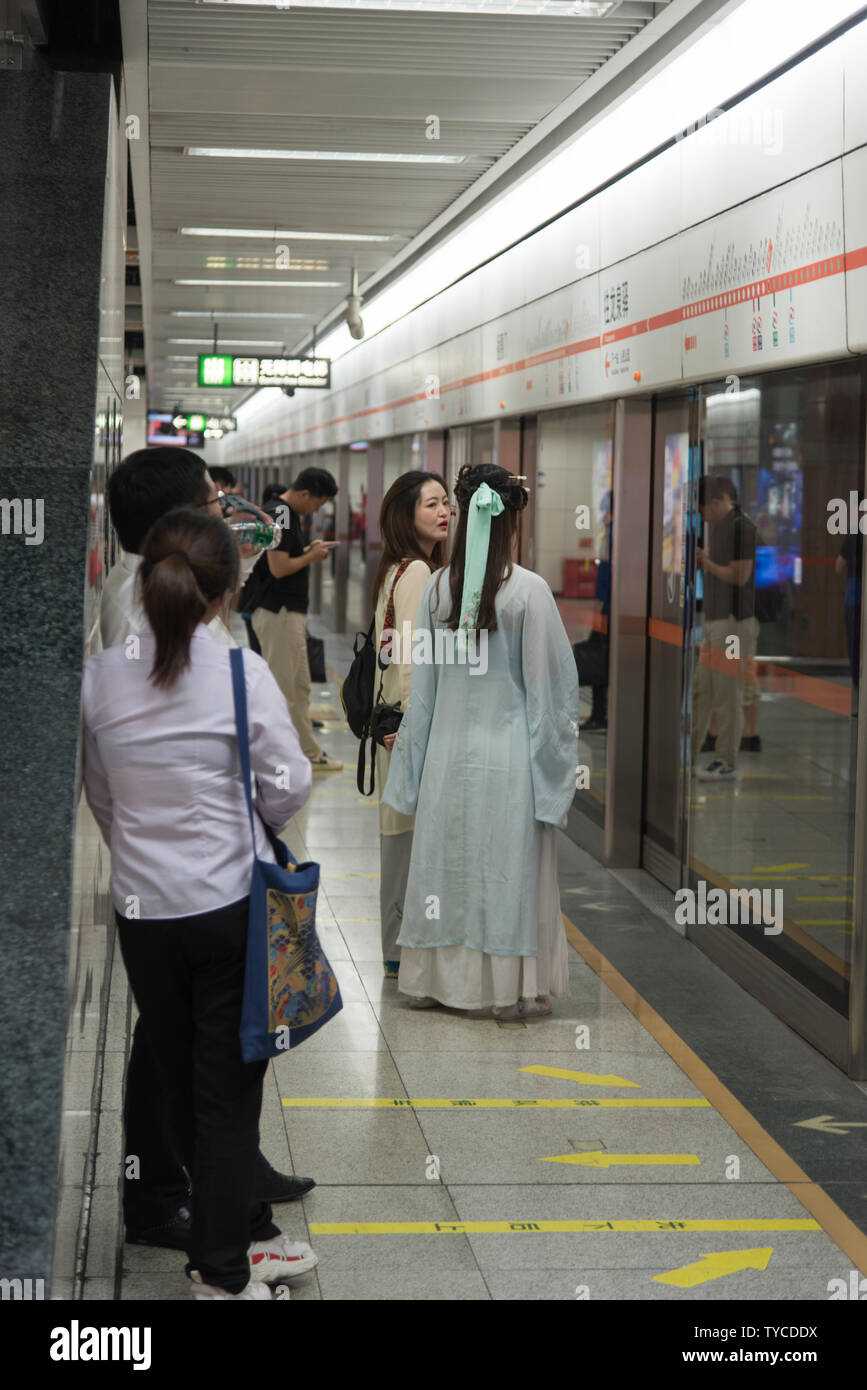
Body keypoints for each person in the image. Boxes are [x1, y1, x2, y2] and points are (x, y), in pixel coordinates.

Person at [82, 508, 318, 1300]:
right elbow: (289, 784)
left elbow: (103, 798)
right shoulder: (238, 671)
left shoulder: (99, 675)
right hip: (228, 908)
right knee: (226, 1096)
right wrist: (255, 822)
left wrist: (144, 859)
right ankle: (222, 1273)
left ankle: (244, 1237)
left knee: (185, 1084)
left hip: (145, 915)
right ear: (221, 596)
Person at [382, 463, 579, 1017]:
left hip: (447, 759)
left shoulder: (439, 590)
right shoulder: (528, 592)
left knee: (447, 867)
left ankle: (435, 981)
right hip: (509, 763)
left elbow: (424, 691)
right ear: (512, 519)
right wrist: (555, 779)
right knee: (503, 872)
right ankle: (503, 989)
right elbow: (551, 694)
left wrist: (412, 774)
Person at [372, 472, 450, 978]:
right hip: (403, 727)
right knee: (405, 835)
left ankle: (398, 948)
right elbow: (409, 658)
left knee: (398, 832)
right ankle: (400, 949)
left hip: (390, 724)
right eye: (431, 504)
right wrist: (412, 725)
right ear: (406, 513)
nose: (444, 511)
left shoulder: (396, 567)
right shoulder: (419, 571)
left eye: (446, 503)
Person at [242, 468, 343, 772]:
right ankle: (279, 757)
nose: (317, 510)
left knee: (298, 688)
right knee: (284, 690)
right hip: (279, 612)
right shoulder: (282, 513)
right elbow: (279, 567)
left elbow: (286, 555)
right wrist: (310, 558)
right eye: (318, 503)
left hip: (287, 613)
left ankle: (305, 751)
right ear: (304, 494)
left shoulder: (284, 513)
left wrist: (308, 549)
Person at [692, 474, 758, 782]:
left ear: (718, 501)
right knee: (702, 689)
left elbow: (740, 576)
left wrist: (706, 563)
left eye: (704, 507)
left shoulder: (742, 527)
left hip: (734, 623)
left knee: (728, 693)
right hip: (715, 620)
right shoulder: (718, 527)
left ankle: (726, 760)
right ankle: (689, 756)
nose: (701, 514)